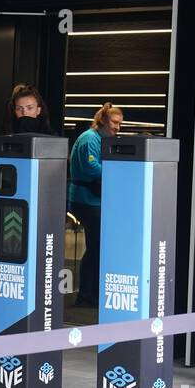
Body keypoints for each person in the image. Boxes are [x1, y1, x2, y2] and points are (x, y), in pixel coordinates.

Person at [68, 102, 123, 309]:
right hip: (86, 199)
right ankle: (86, 296)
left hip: (93, 199)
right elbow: (92, 169)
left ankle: (90, 294)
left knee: (96, 247)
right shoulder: (90, 138)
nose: (117, 127)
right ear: (103, 121)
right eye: (115, 122)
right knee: (96, 247)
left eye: (120, 124)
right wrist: (117, 173)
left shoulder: (100, 139)